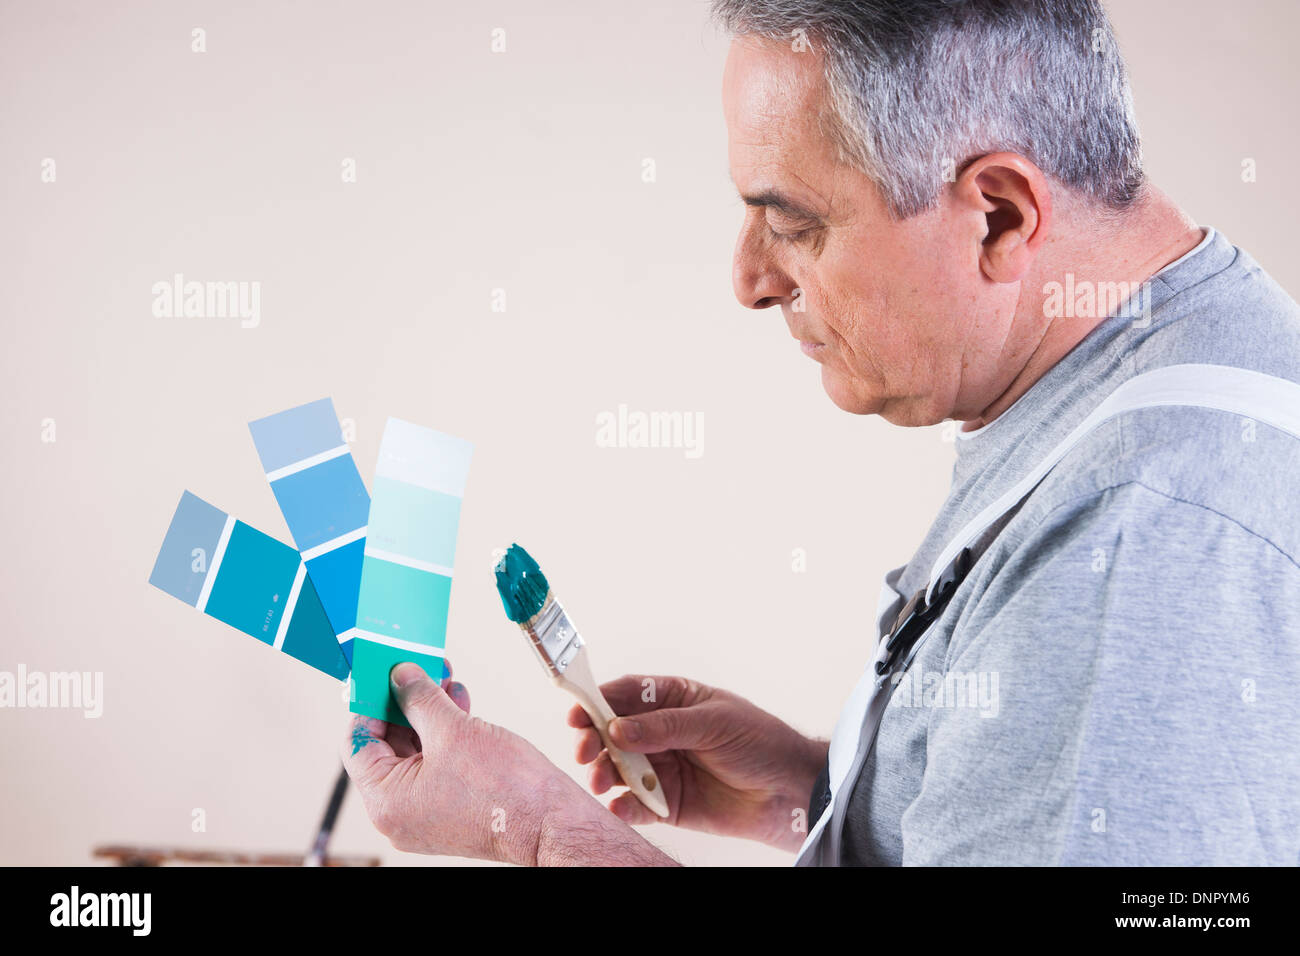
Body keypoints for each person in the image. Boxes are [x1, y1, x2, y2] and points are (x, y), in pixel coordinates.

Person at [343, 0, 1300, 866]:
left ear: (998, 217)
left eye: (792, 225)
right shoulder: (1151, 353)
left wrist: (552, 837)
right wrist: (826, 792)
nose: (751, 281)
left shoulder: (1135, 546)